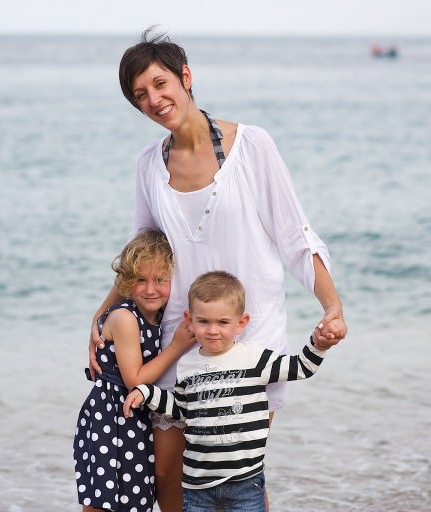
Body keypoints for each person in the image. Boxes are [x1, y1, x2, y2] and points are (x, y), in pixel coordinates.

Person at [89, 27, 348, 511]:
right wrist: (103, 312)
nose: (154, 99)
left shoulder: (252, 145)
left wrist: (331, 305)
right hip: (181, 336)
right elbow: (140, 251)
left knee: (240, 472)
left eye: (160, 83)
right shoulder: (149, 164)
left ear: (186, 77)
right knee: (168, 473)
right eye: (140, 94)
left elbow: (296, 234)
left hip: (247, 336)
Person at [123, 271, 330, 512]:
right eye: (203, 322)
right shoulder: (187, 365)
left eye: (223, 322)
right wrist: (147, 393)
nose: (213, 330)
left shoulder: (253, 358)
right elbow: (181, 411)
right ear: (189, 321)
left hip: (246, 481)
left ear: (241, 323)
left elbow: (301, 367)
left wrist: (319, 344)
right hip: (197, 485)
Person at [74, 229, 195, 512]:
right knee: (103, 499)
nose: (150, 289)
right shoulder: (125, 318)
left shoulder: (157, 315)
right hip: (113, 414)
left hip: (134, 414)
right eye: (140, 280)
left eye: (160, 280)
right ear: (126, 281)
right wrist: (176, 347)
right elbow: (135, 379)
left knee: (134, 497)